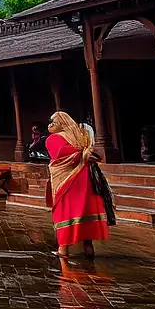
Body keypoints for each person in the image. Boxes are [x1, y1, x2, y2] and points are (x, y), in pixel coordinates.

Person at [46, 110, 108, 258]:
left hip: (68, 183)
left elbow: (59, 154)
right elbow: (86, 153)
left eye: (53, 121)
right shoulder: (81, 137)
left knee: (66, 211)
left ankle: (63, 249)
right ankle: (88, 247)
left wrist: (81, 155)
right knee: (85, 211)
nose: (50, 124)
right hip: (85, 180)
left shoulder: (54, 139)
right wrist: (84, 154)